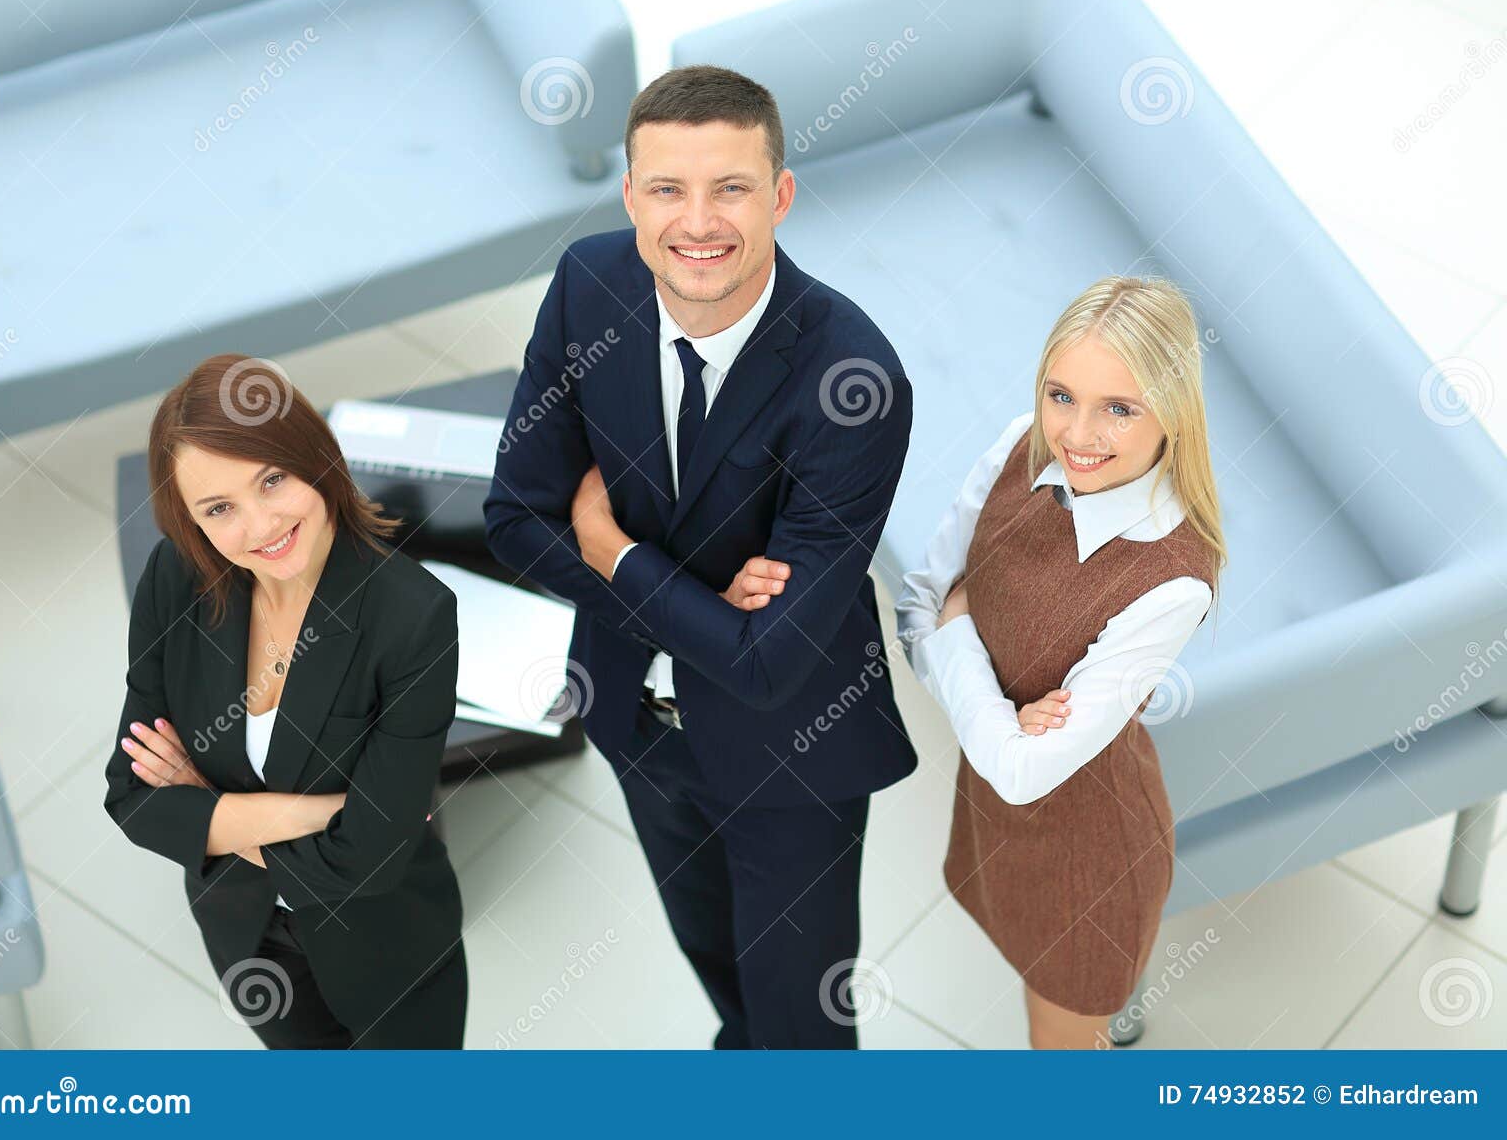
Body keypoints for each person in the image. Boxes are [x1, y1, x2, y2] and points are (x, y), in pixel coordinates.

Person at [484, 65, 917, 1048]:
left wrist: (615, 553)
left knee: (801, 1029)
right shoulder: (589, 285)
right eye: (668, 189)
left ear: (781, 195)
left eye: (731, 187)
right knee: (719, 973)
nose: (698, 221)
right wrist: (704, 602)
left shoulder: (853, 377)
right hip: (635, 720)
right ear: (631, 196)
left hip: (791, 758)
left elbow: (767, 665)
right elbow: (515, 517)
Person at [896, 277, 1226, 1049]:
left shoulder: (1174, 579)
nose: (1077, 434)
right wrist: (999, 716)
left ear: (1174, 412)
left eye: (1120, 408)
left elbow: (1023, 771)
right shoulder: (1023, 443)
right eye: (1062, 395)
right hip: (993, 814)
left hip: (1089, 860)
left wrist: (957, 632)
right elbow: (915, 609)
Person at [103, 354, 467, 1048]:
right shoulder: (177, 578)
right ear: (192, 521)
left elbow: (373, 860)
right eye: (219, 508)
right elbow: (134, 798)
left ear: (314, 457)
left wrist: (206, 806)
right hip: (248, 938)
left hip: (388, 951)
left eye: (272, 478)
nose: (262, 525)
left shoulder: (412, 616)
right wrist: (329, 815)